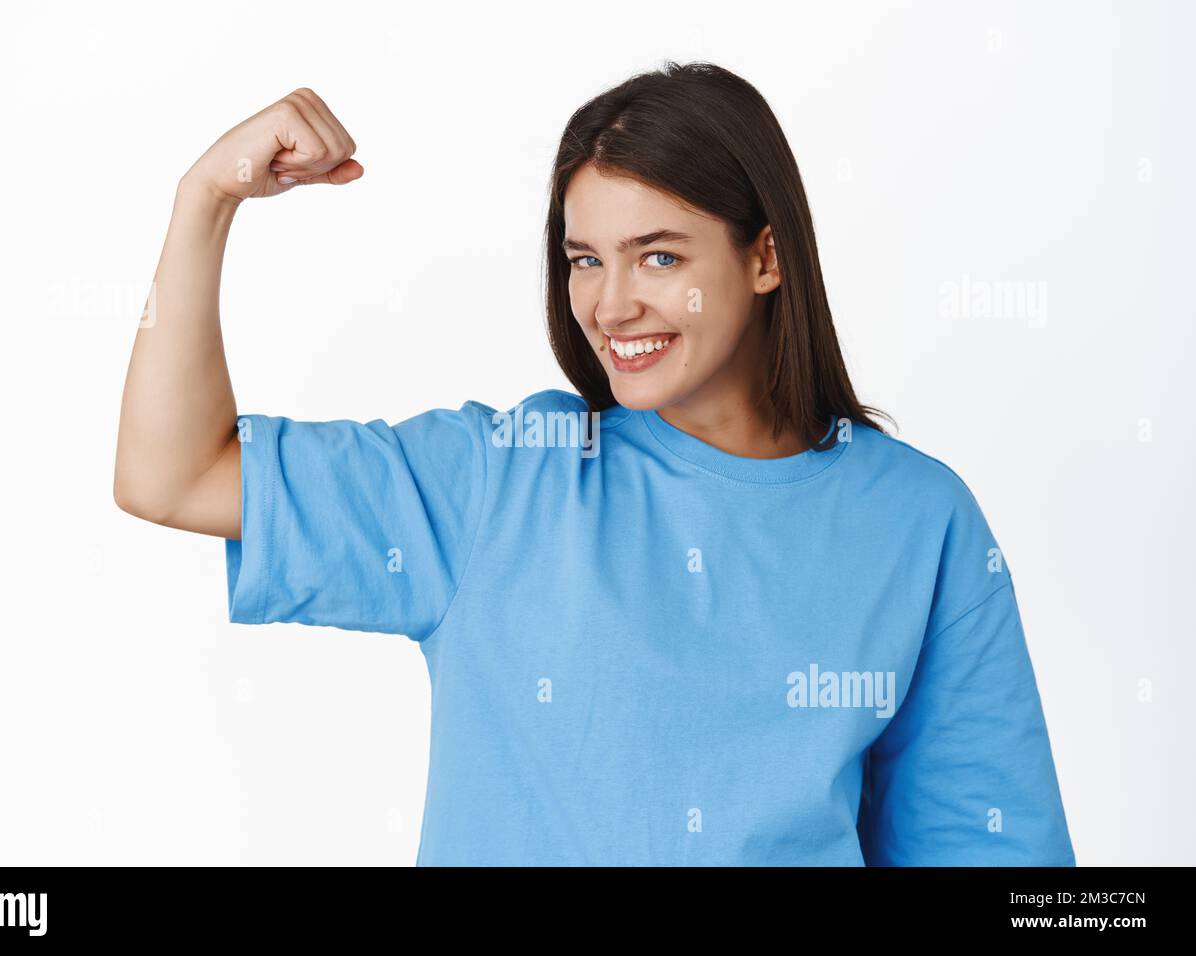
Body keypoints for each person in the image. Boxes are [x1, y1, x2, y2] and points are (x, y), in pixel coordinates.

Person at [113, 62, 1076, 866]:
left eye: (659, 258)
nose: (610, 305)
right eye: (584, 259)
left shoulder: (918, 519)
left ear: (766, 257)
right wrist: (206, 199)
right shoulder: (496, 482)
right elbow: (175, 476)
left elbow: (985, 849)